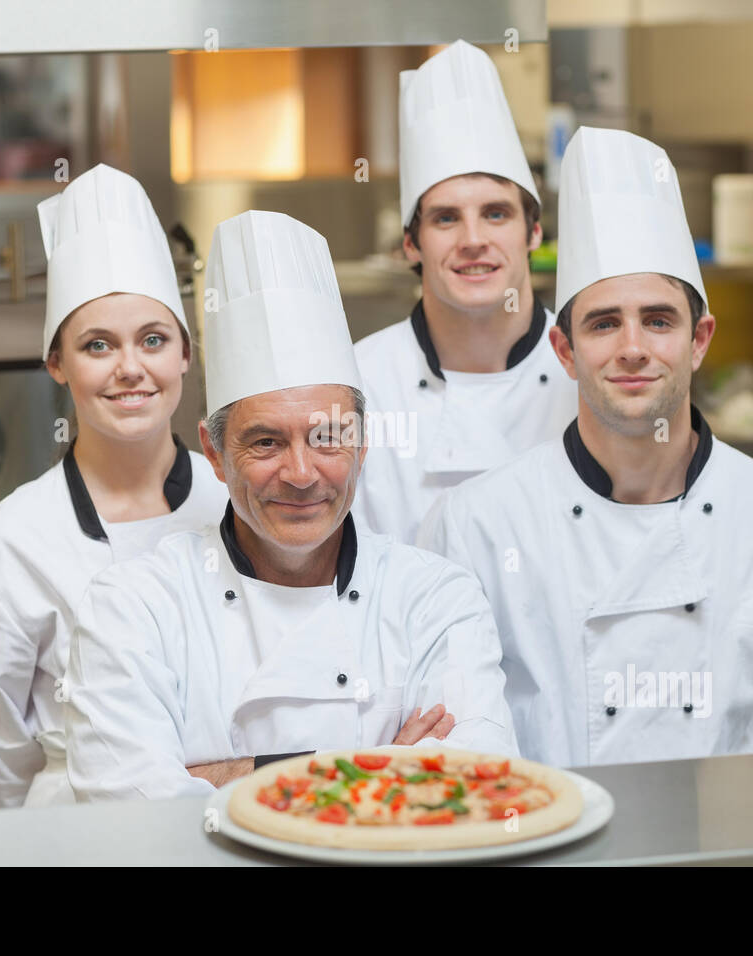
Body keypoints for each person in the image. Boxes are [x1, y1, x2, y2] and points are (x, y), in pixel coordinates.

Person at [419, 127, 753, 767]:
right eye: (604, 323)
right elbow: (452, 749)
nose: (633, 347)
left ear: (699, 340)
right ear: (565, 350)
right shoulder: (476, 528)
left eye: (658, 320)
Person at [64, 210, 517, 801]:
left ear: (361, 440)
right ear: (215, 453)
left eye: (327, 436)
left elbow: (475, 786)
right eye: (266, 442)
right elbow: (130, 812)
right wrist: (383, 766)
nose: (301, 474)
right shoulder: (132, 608)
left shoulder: (436, 598)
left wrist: (219, 773)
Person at [0, 164, 227, 808]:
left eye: (153, 340)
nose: (131, 369)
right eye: (98, 345)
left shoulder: (240, 504)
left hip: (235, 827)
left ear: (185, 352)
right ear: (56, 363)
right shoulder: (7, 543)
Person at [352, 41, 574, 544]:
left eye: (496, 213)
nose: (473, 240)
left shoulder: (588, 372)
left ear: (533, 233)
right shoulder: (358, 385)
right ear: (411, 244)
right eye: (446, 218)